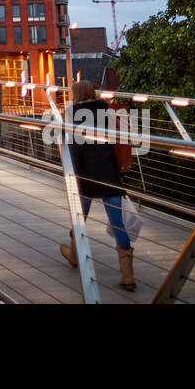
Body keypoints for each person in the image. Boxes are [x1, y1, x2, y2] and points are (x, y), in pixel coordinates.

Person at [58, 79, 135, 291]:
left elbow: (74, 149)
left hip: (86, 176)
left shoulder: (74, 114)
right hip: (109, 173)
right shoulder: (107, 111)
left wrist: (70, 174)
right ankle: (127, 275)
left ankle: (74, 253)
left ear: (77, 94)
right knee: (118, 223)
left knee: (79, 217)